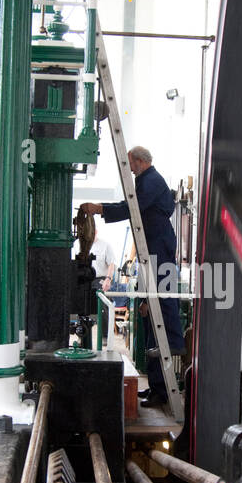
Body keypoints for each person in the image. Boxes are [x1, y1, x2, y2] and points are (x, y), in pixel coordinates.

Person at [80, 146, 185, 404]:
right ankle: (158, 387)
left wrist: (100, 208)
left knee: (163, 310)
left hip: (158, 249)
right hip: (152, 250)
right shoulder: (148, 181)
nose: (130, 169)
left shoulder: (151, 181)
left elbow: (131, 207)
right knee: (151, 317)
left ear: (139, 161)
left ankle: (172, 354)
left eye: (131, 164)